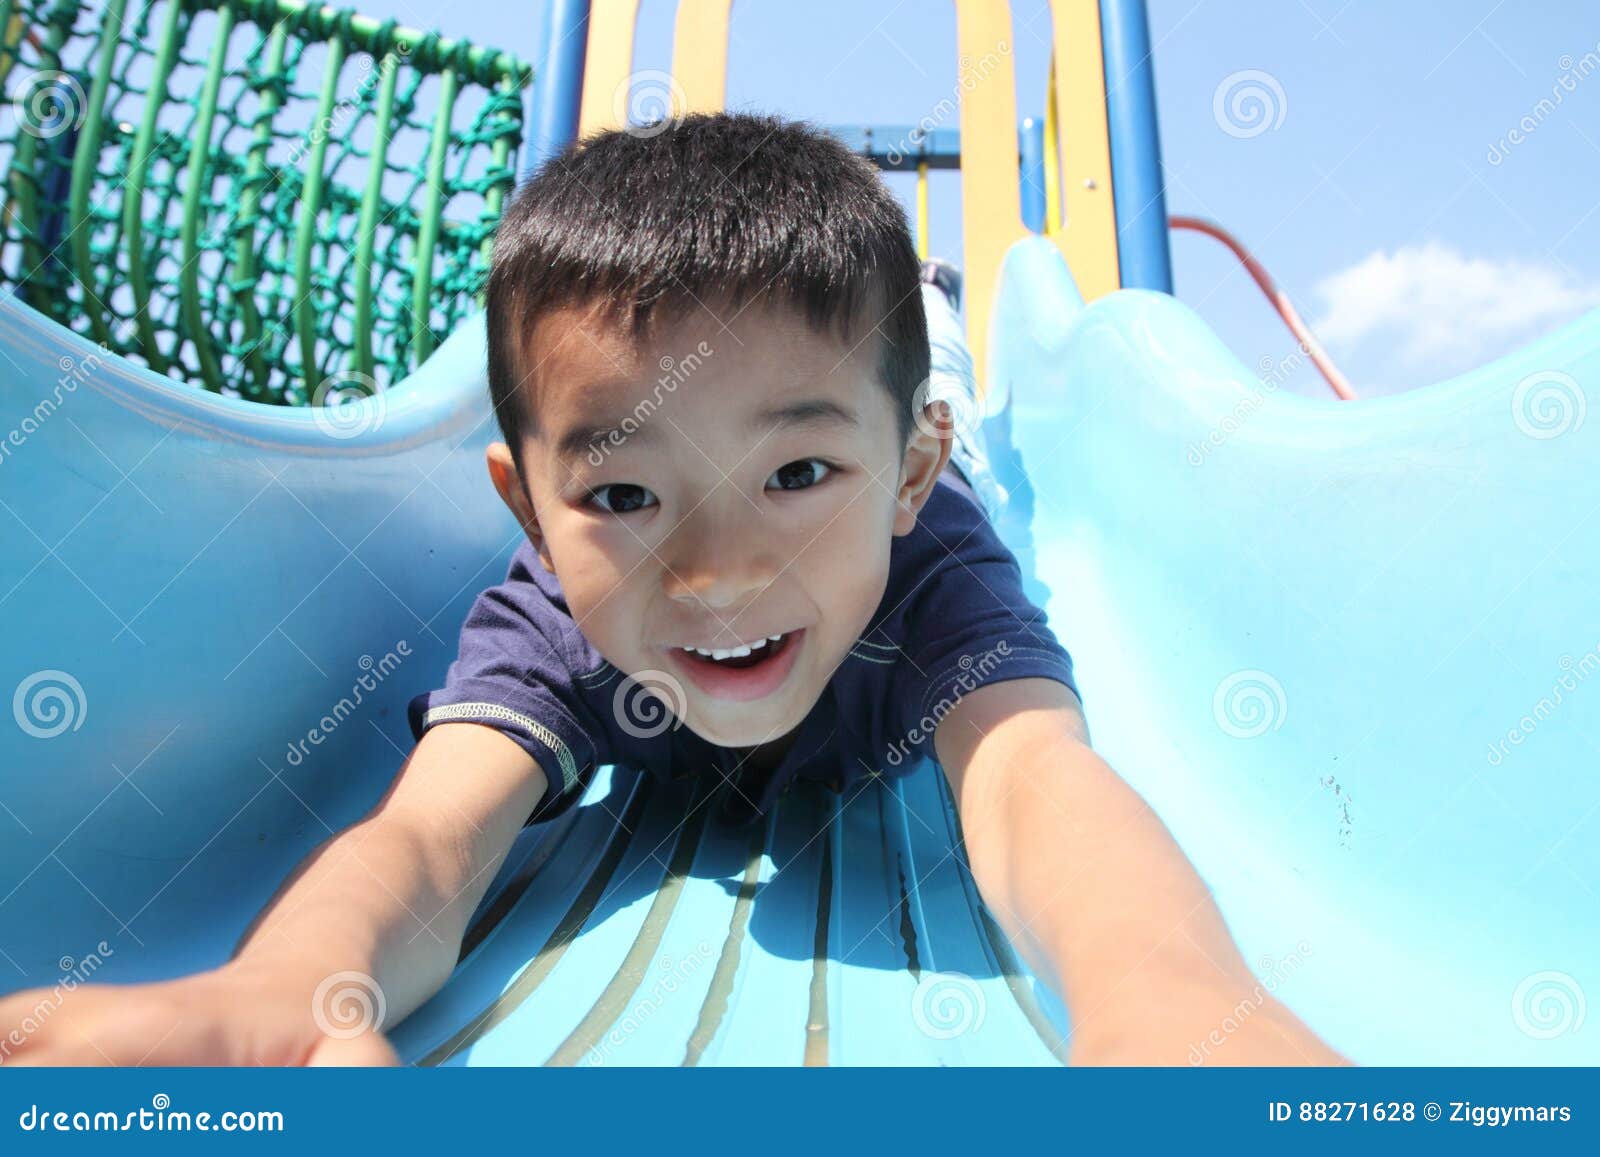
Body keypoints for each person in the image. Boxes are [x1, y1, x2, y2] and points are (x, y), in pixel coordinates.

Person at [0, 112, 1346, 1066]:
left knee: (921, 377)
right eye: (624, 496)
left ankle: (932, 324)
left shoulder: (931, 560)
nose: (718, 571)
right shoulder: (554, 612)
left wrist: (1167, 999)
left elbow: (1034, 782)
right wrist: (298, 982)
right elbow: (428, 838)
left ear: (902, 477)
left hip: (937, 441)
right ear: (528, 511)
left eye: (798, 473)